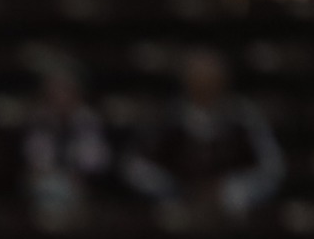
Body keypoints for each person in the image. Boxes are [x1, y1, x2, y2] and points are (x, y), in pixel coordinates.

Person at [122, 47, 285, 219]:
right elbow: (134, 165)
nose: (205, 87)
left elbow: (272, 169)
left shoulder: (243, 118)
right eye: (199, 81)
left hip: (232, 209)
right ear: (186, 82)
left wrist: (231, 190)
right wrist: (174, 189)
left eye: (211, 81)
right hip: (176, 209)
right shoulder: (167, 118)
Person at [22, 60, 112, 224]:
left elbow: (95, 161)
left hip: (82, 186)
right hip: (48, 185)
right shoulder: (40, 119)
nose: (58, 97)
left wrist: (76, 174)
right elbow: (36, 158)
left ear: (76, 93)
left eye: (64, 90)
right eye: (53, 92)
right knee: (46, 190)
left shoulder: (88, 120)